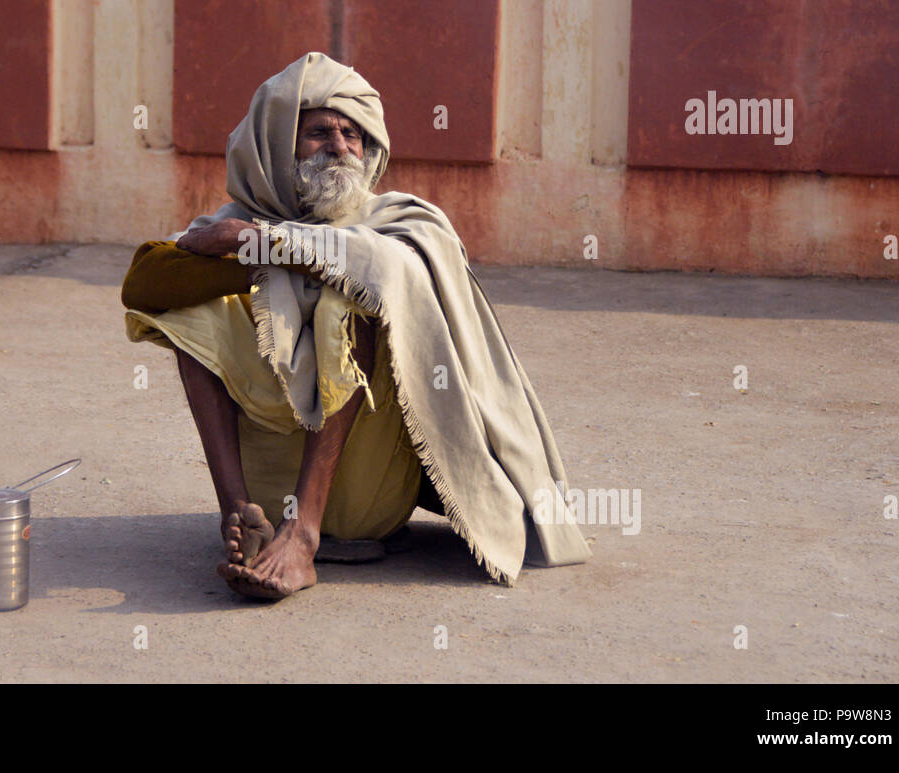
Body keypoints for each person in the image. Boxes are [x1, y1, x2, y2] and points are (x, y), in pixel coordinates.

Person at [122, 53, 589, 600]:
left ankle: (305, 535)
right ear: (275, 143)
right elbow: (145, 285)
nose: (340, 147)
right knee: (191, 310)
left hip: (373, 488)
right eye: (319, 132)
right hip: (270, 488)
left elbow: (383, 270)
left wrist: (261, 246)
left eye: (353, 134)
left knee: (350, 295)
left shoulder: (405, 223)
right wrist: (251, 254)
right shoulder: (236, 221)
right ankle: (238, 516)